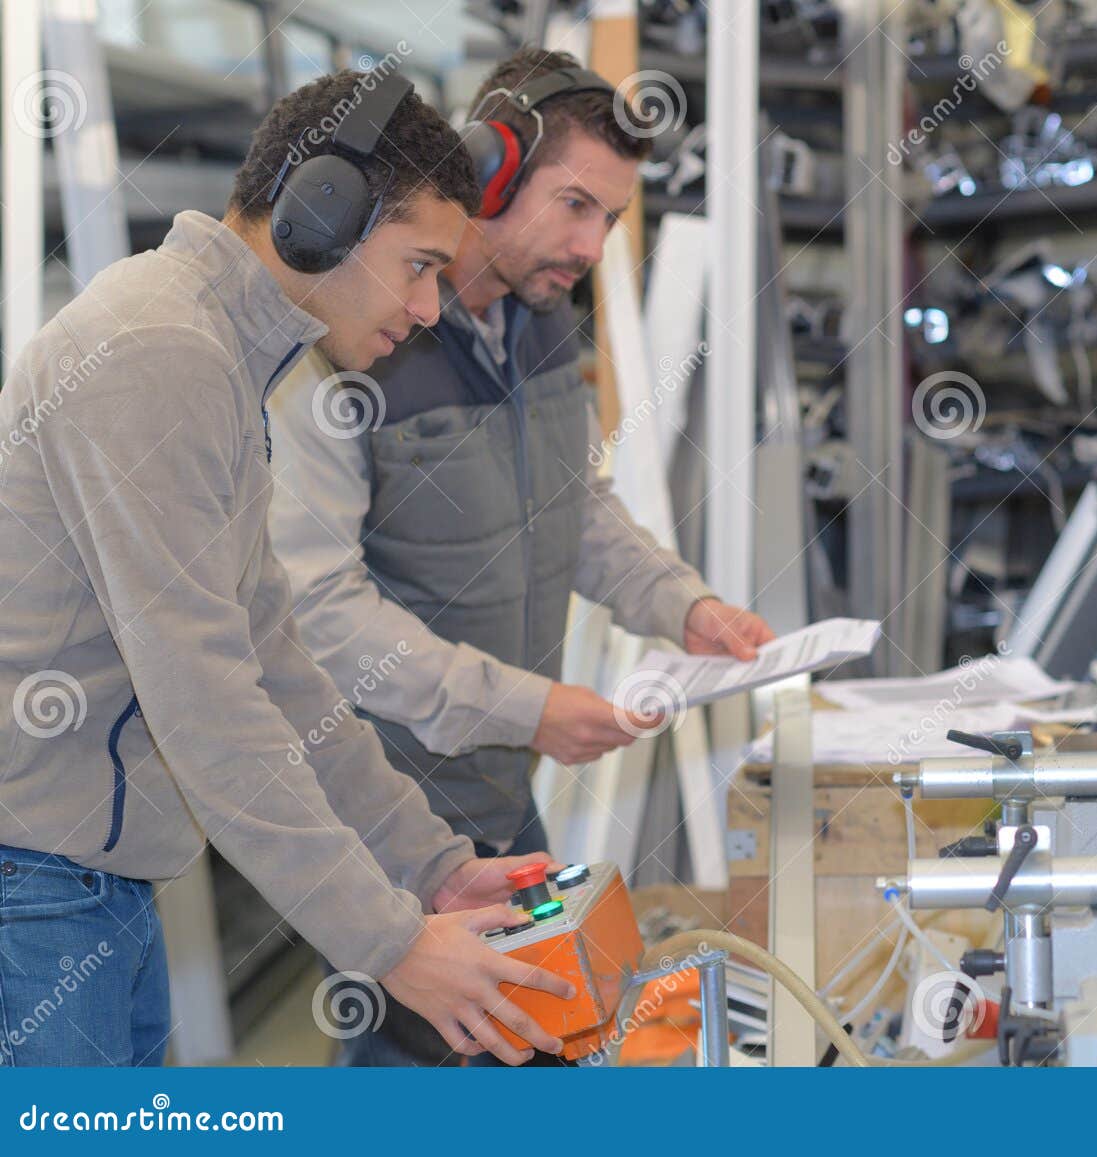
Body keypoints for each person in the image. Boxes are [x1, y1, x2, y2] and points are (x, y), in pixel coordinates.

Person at [0, 69, 576, 1068]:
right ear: (322, 213)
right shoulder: (160, 352)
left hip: (82, 883)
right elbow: (208, 703)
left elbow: (277, 662)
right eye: (419, 264)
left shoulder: (219, 355)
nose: (431, 307)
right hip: (32, 890)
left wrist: (432, 867)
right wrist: (390, 943)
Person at [266, 50, 774, 1065]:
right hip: (385, 810)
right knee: (406, 1068)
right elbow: (318, 609)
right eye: (575, 205)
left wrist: (684, 605)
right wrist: (527, 706)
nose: (591, 246)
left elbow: (574, 510)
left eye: (612, 220)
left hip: (498, 791)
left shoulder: (542, 324)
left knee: (524, 1045)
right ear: (488, 172)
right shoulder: (350, 338)